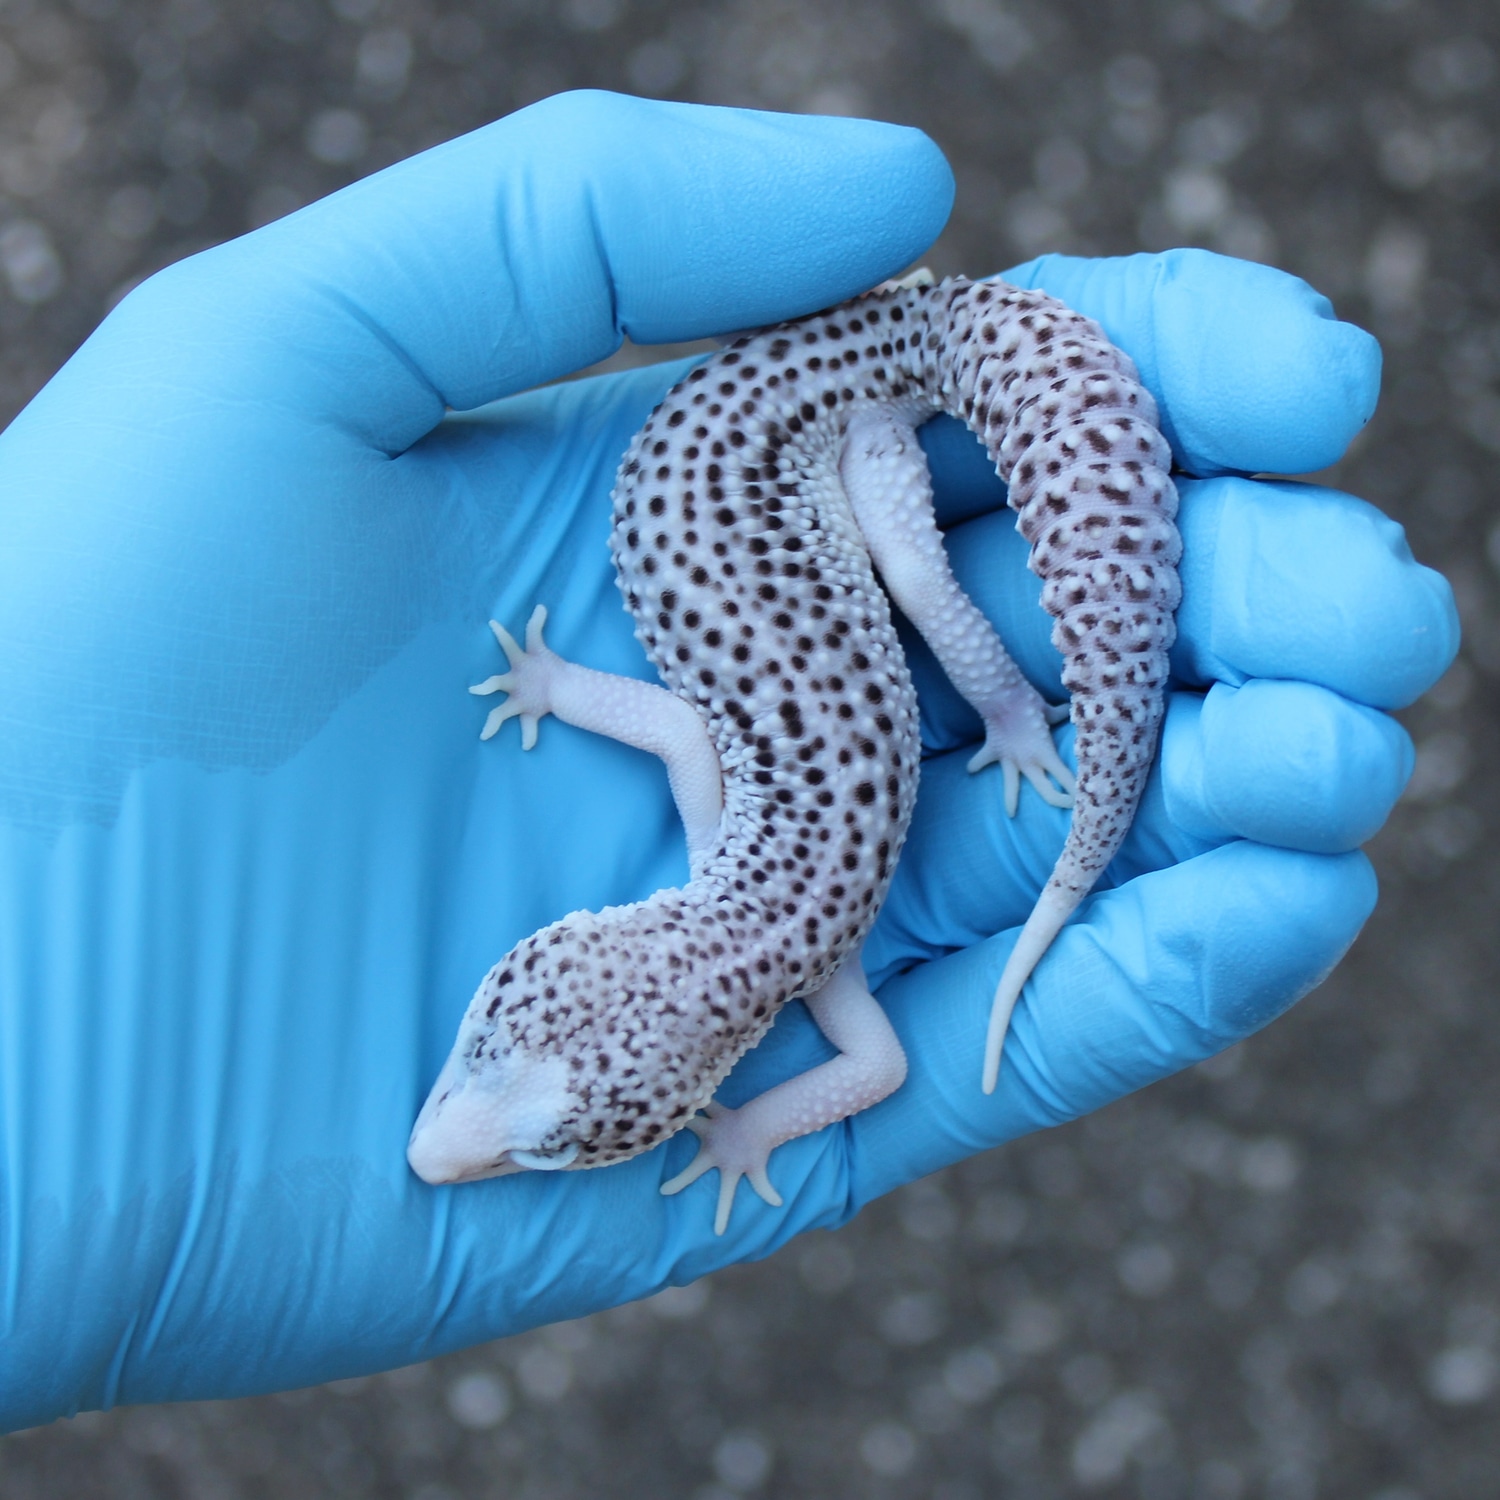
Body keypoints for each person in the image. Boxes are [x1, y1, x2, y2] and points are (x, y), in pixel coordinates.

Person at [0, 90, 1456, 1430]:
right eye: (524, 1136)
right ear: (578, 939)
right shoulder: (746, 892)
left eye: (479, 1082)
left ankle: (1028, 716)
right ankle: (1029, 713)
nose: (451, 1135)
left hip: (836, 412)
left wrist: (755, 1119)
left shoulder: (806, 961)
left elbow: (867, 1058)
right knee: (923, 571)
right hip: (804, 425)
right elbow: (698, 746)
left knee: (924, 563)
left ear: (582, 936)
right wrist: (564, 686)